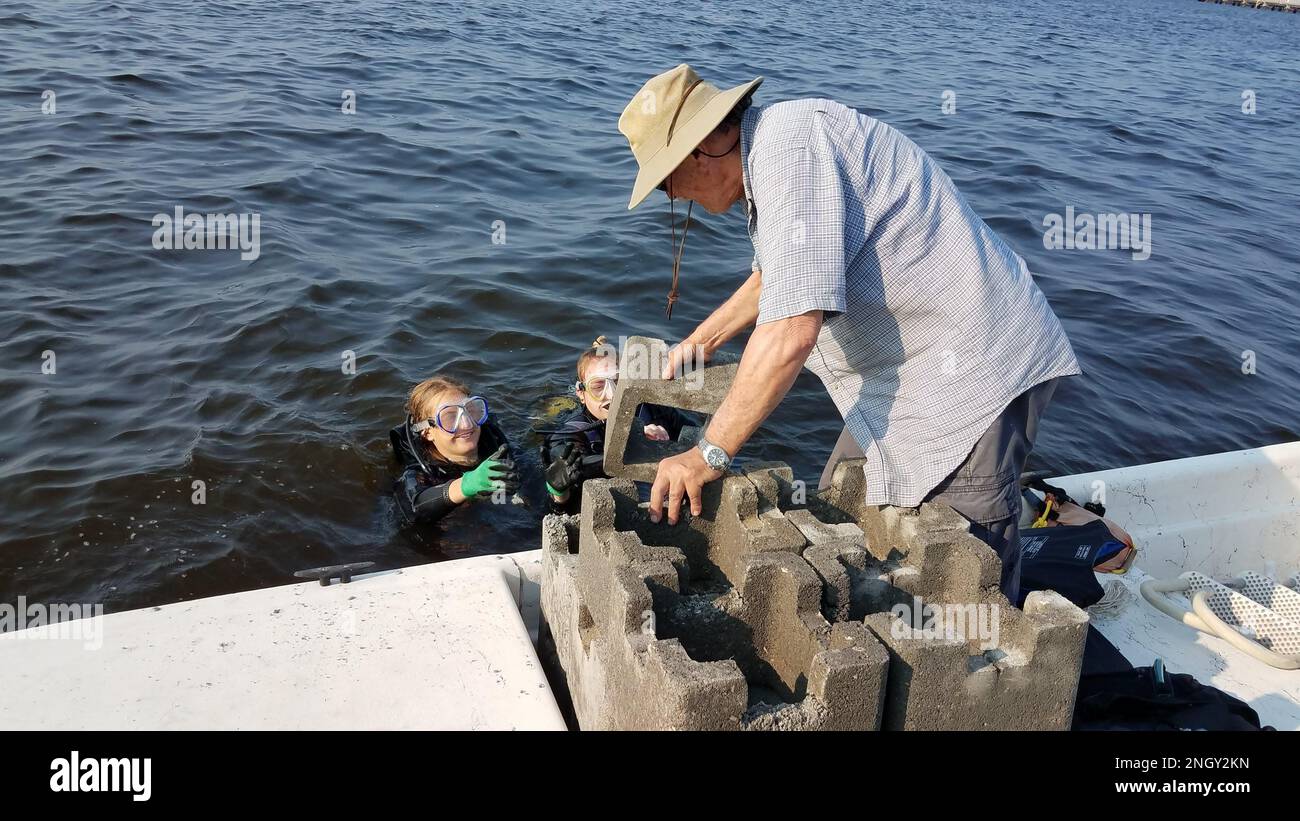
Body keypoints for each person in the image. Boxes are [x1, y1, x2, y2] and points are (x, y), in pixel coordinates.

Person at [616, 64, 1081, 603]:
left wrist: (708, 454)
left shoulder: (790, 152)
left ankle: (992, 669)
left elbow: (793, 327)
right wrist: (703, 341)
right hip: (904, 375)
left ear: (700, 149)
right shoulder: (773, 153)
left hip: (973, 370)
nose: (671, 196)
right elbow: (779, 277)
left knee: (961, 563)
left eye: (666, 181)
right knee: (846, 507)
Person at [541, 336, 695, 512]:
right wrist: (559, 490)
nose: (612, 395)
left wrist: (669, 446)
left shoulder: (655, 411)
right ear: (582, 393)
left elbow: (699, 436)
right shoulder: (574, 431)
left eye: (618, 382)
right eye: (599, 386)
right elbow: (566, 459)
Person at [389, 375, 520, 524]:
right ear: (428, 433)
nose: (467, 424)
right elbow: (414, 509)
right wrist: (467, 484)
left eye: (470, 410)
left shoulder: (495, 442)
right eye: (450, 418)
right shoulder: (419, 474)